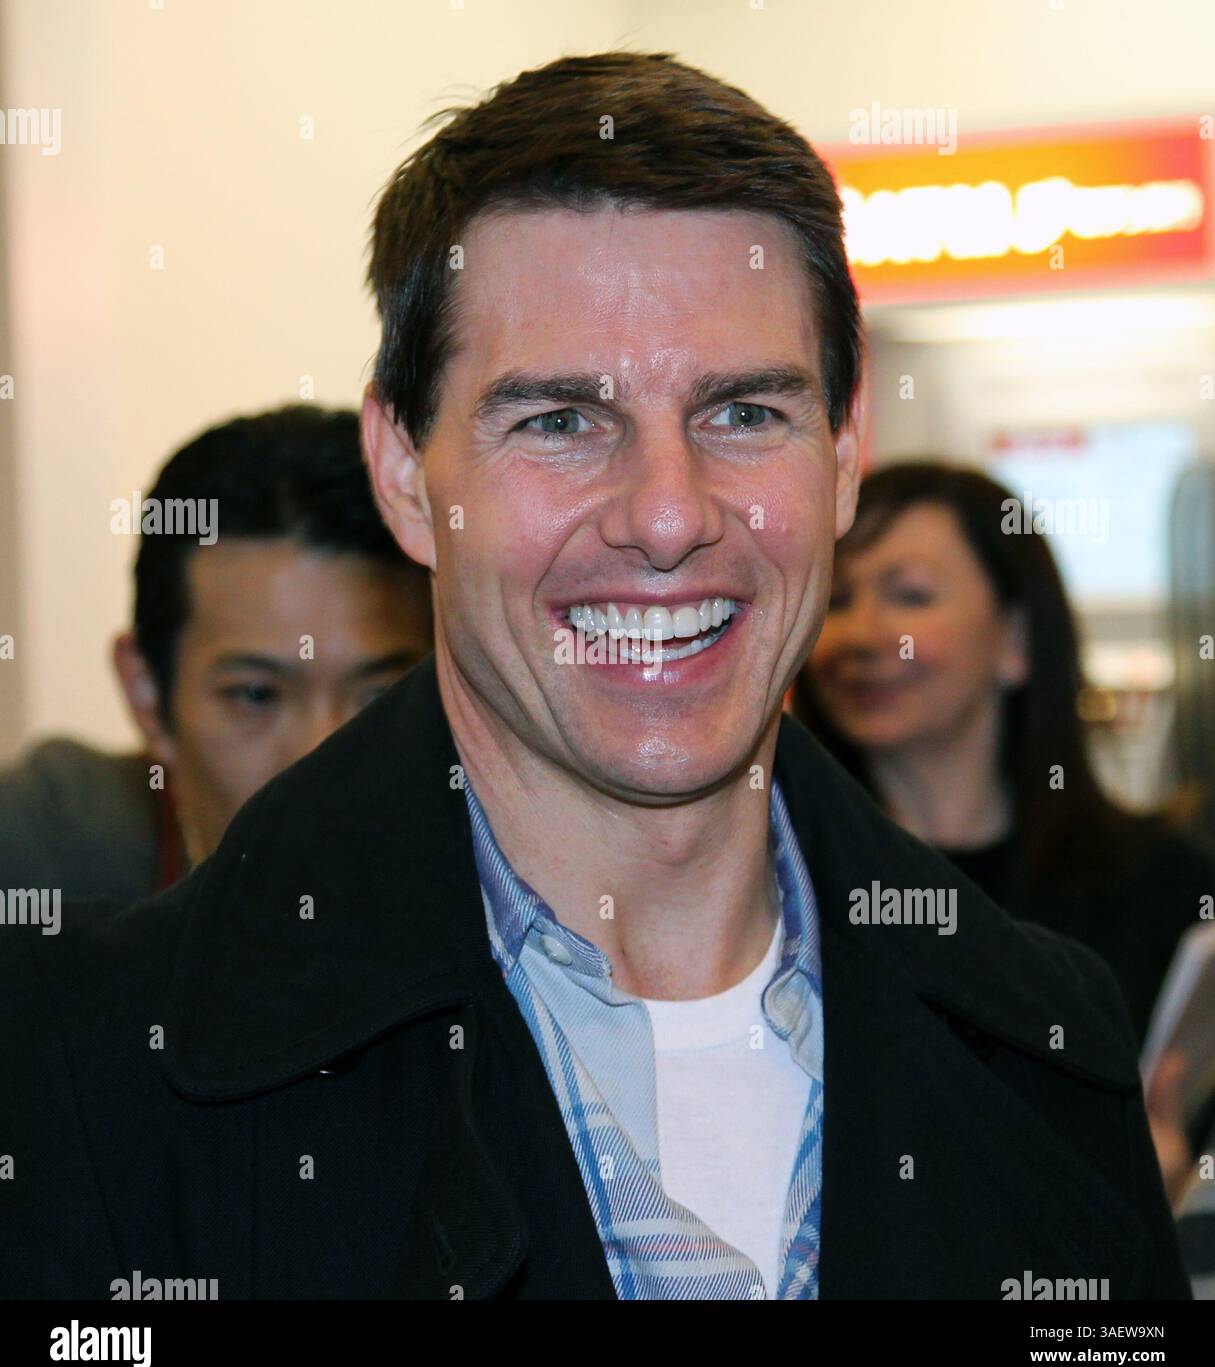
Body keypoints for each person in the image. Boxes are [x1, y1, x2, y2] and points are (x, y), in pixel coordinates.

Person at [0, 52, 1189, 1300]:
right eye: (561, 420)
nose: (669, 516)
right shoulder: (82, 1069)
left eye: (743, 413)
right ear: (405, 472)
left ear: (844, 454)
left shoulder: (1050, 1042)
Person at [793, 461, 1214, 1047]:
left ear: (1016, 641)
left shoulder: (1159, 887)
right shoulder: (787, 884)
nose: (861, 635)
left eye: (910, 595)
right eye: (837, 600)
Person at [0, 404, 433, 901]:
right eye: (257, 695)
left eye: (381, 696)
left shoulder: (510, 878)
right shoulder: (44, 862)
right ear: (146, 695)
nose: (321, 762)